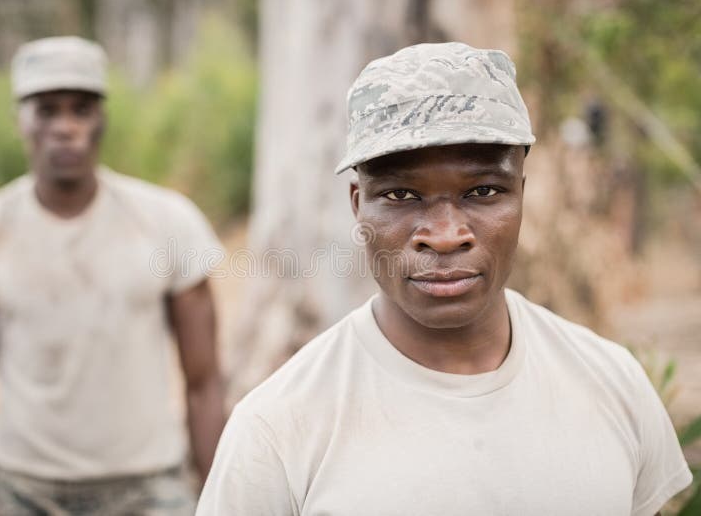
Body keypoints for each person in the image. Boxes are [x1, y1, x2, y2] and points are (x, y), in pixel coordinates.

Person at [196, 43, 692, 515]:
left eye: (482, 190)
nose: (445, 235)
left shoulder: (611, 382)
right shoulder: (277, 429)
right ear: (357, 206)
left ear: (522, 193)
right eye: (400, 196)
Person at [0, 36, 225, 515]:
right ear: (22, 120)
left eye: (81, 109)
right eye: (47, 111)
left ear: (102, 118)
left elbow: (204, 384)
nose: (65, 128)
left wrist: (218, 499)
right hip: (25, 491)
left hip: (148, 488)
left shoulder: (168, 225)